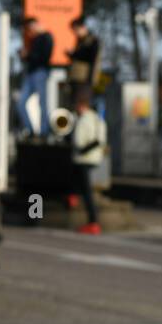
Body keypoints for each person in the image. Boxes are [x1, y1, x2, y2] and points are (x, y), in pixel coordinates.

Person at [70, 85, 108, 235]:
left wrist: (81, 150)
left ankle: (93, 222)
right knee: (82, 185)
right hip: (93, 158)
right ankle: (72, 197)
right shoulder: (96, 118)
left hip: (83, 158)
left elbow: (80, 141)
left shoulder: (84, 119)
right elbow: (101, 139)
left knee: (86, 192)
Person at [18, 15, 54, 137]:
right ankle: (30, 130)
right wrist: (25, 56)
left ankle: (44, 131)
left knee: (42, 103)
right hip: (30, 73)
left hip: (40, 72)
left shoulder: (46, 37)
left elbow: (44, 57)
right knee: (21, 103)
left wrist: (29, 55)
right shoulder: (33, 40)